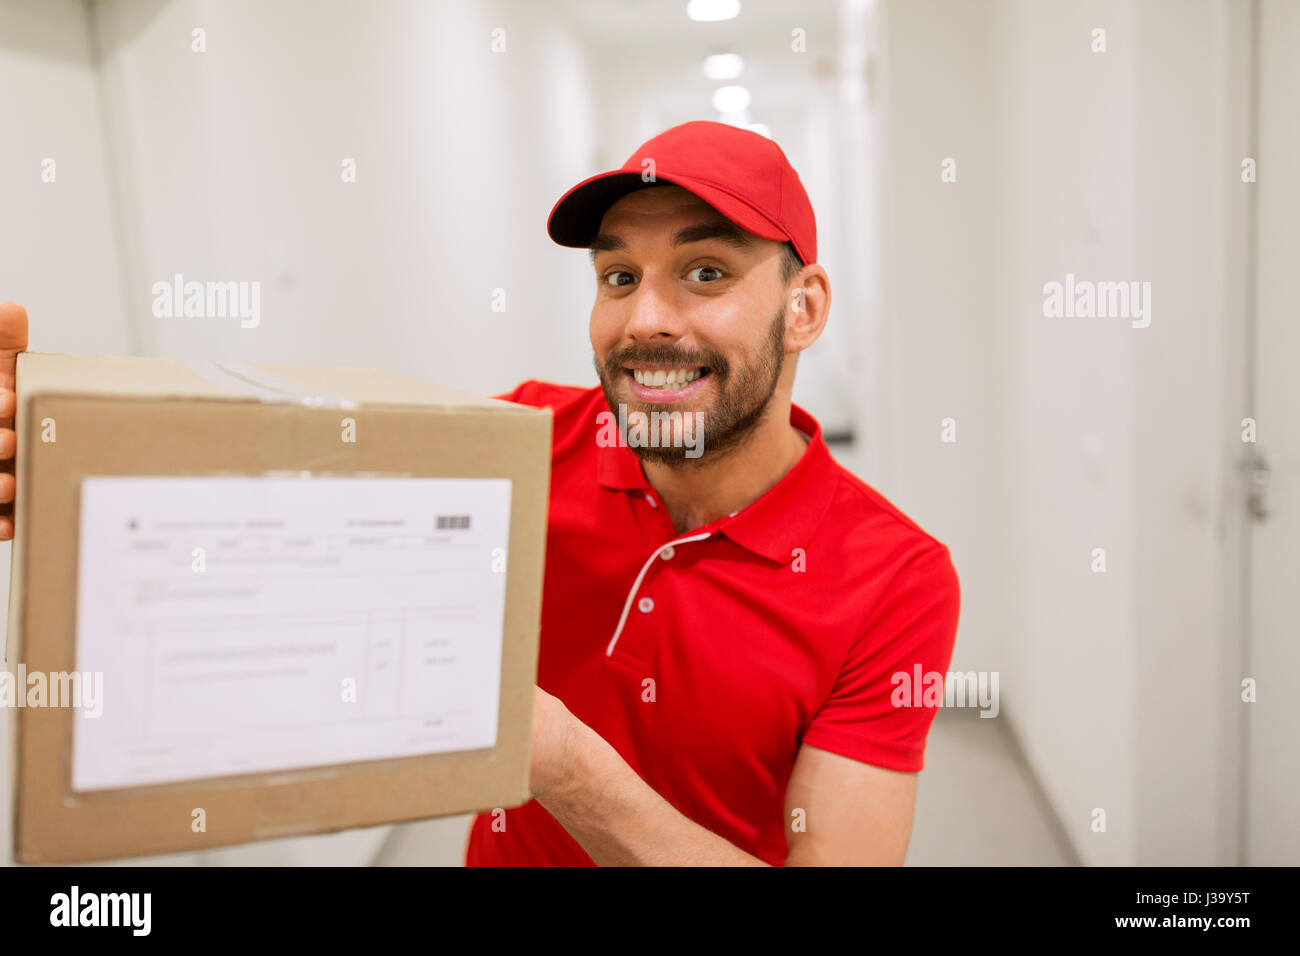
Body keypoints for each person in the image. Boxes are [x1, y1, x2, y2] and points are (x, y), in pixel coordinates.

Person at [0, 120, 960, 867]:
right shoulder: (522, 443)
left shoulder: (896, 581)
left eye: (704, 272)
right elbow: (267, 520)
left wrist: (562, 765)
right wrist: (52, 460)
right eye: (618, 275)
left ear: (804, 307)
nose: (645, 319)